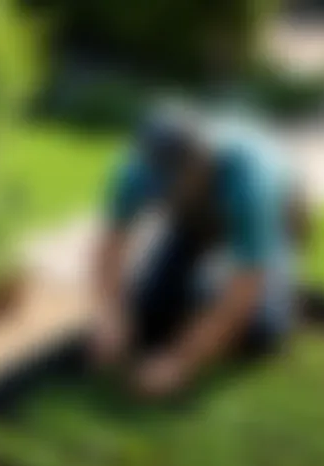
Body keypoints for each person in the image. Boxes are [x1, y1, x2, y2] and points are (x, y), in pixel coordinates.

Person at [91, 103, 310, 397]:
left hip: (278, 210)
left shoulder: (249, 184)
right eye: (160, 176)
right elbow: (110, 245)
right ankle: (196, 304)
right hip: (194, 215)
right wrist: (111, 316)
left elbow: (246, 286)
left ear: (200, 163)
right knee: (150, 312)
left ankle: (271, 306)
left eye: (176, 177)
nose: (166, 185)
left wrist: (181, 362)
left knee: (261, 331)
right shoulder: (136, 170)